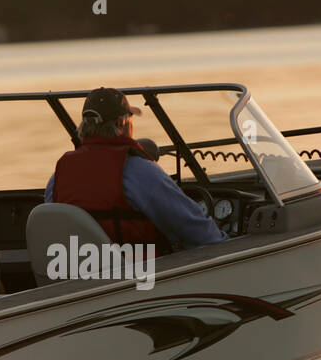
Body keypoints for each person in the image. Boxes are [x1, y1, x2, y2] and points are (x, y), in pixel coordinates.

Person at [46, 87, 226, 254]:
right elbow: (196, 230)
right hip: (138, 279)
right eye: (130, 119)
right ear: (121, 123)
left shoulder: (59, 175)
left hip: (76, 275)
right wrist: (230, 244)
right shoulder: (138, 171)